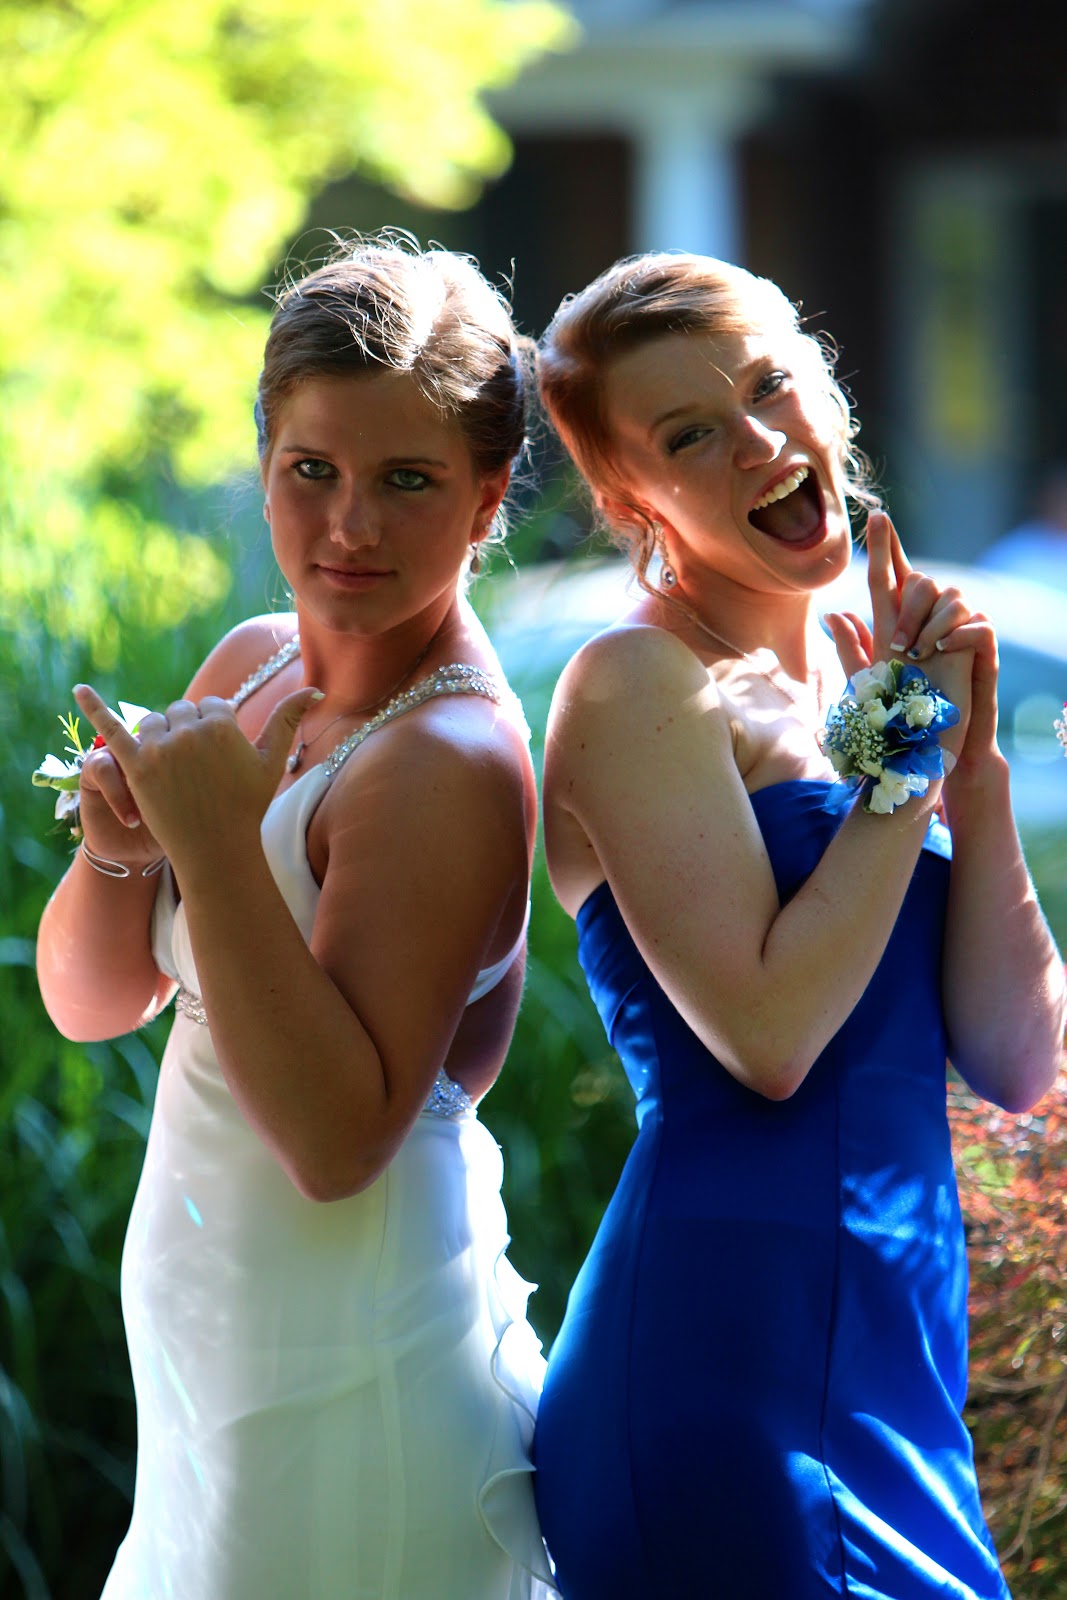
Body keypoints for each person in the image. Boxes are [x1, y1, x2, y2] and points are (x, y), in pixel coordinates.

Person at [529, 252, 1065, 1599]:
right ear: (630, 496)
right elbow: (770, 1040)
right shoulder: (635, 681)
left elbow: (1015, 1061)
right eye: (690, 435)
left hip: (896, 1353)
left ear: (826, 386)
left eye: (774, 386)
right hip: (727, 1369)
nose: (762, 442)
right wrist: (914, 740)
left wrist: (974, 765)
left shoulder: (862, 676)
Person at [36, 237, 557, 1600]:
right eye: (311, 472)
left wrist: (208, 845)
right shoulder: (255, 666)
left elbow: (335, 1145)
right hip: (213, 1382)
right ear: (265, 460)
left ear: (488, 498)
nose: (351, 527)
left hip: (353, 1374)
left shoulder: (446, 760)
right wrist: (116, 857)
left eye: (408, 482)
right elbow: (92, 1005)